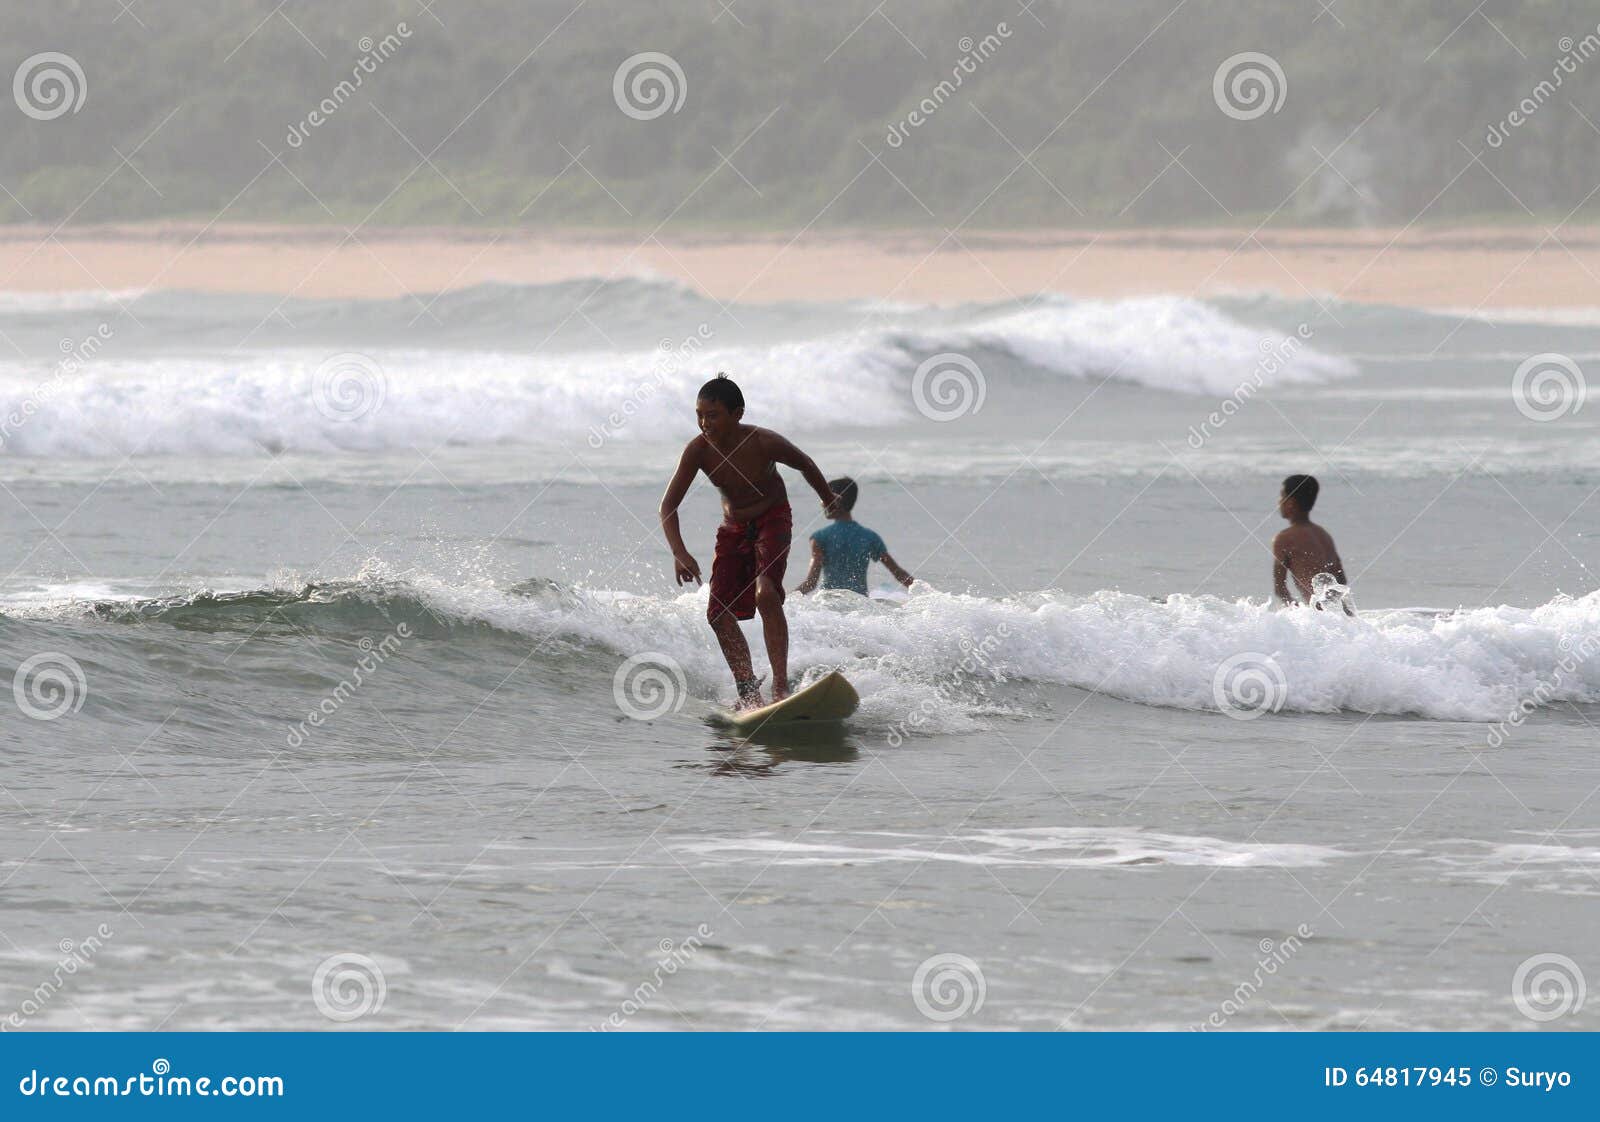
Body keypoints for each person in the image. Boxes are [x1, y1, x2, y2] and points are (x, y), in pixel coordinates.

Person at [659, 374, 839, 709]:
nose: (703, 423)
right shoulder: (698, 451)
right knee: (717, 613)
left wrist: (827, 498)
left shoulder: (764, 442)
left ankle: (781, 689)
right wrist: (679, 552)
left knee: (766, 594)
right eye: (699, 414)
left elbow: (805, 464)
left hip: (773, 518)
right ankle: (748, 690)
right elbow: (668, 505)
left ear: (737, 413)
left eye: (712, 415)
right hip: (733, 529)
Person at [795, 476, 914, 598]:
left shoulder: (820, 537)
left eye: (823, 498)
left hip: (827, 606)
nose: (821, 503)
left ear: (835, 499)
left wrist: (785, 602)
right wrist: (928, 595)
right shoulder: (870, 537)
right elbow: (898, 573)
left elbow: (810, 583)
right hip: (860, 605)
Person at [1272, 474, 1354, 615]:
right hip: (1342, 614)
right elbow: (1341, 580)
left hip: (1320, 618)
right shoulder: (1324, 535)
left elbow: (1280, 589)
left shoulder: (1284, 539)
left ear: (1290, 503)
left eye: (1281, 497)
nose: (1278, 502)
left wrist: (1298, 616)